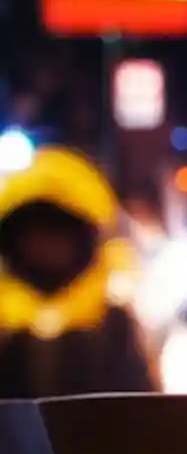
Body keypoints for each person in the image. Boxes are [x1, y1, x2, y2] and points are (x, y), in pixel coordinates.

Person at [0, 147, 156, 398]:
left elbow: (142, 407)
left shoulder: (112, 326)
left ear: (84, 241)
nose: (44, 247)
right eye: (33, 235)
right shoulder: (6, 331)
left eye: (56, 234)